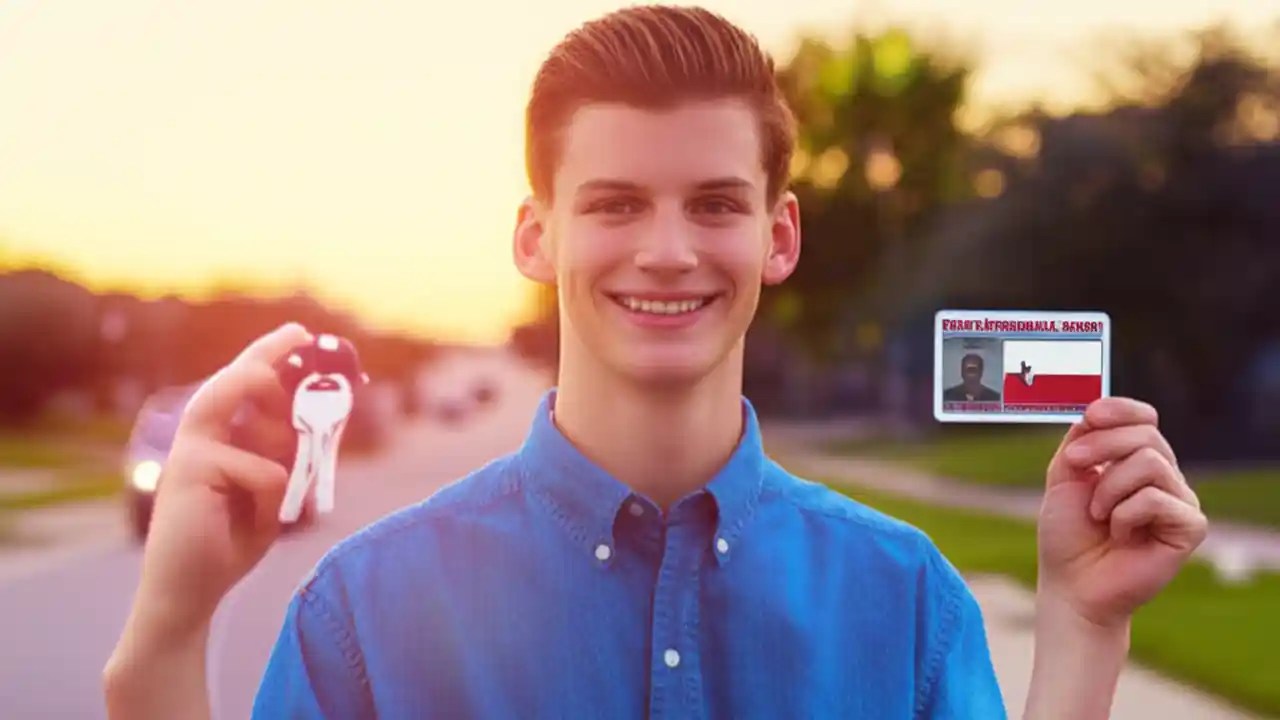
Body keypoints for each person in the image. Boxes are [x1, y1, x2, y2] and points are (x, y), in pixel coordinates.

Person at [102, 6, 1208, 718]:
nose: (668, 250)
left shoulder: (906, 600)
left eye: (714, 204)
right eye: (616, 203)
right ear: (536, 236)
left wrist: (1084, 626)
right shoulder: (365, 612)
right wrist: (162, 638)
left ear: (777, 236)